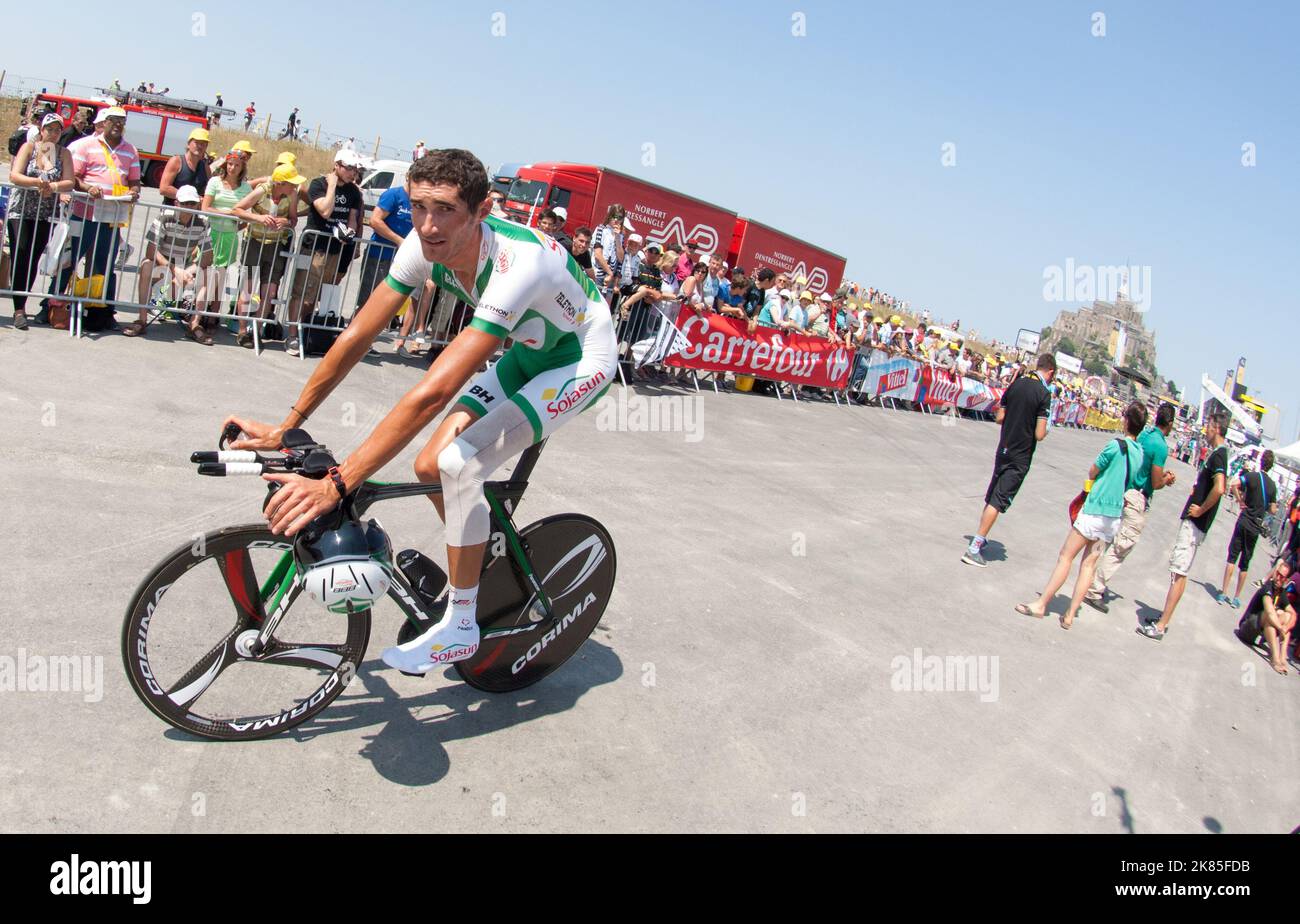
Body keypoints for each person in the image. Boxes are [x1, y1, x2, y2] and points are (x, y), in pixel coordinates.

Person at [221, 149, 618, 673]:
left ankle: (460, 623)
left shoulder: (518, 265)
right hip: (530, 352)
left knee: (457, 465)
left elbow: (433, 392)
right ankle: (485, 557)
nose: (429, 226)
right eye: (419, 206)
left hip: (580, 359)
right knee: (431, 466)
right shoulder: (421, 245)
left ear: (481, 210)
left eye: (446, 210)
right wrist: (287, 425)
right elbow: (359, 334)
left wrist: (338, 483)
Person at [1015, 402, 1147, 629]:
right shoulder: (1140, 453)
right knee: (1089, 565)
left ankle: (1041, 604)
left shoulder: (1115, 445)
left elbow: (1094, 470)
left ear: (1126, 420)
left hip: (1095, 509)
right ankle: (1070, 614)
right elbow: (1133, 481)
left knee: (1066, 556)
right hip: (1113, 518)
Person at [1140, 411, 1231, 641]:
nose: (1206, 430)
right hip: (1196, 521)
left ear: (1217, 428)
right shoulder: (1218, 454)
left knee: (1179, 572)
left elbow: (1220, 488)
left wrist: (1200, 509)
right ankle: (1164, 617)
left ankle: (1161, 625)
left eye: (1209, 425)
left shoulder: (1219, 455)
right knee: (1179, 572)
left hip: (1195, 522)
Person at [962, 353, 1057, 567]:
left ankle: (981, 537)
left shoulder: (1016, 384)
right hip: (1021, 453)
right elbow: (1040, 434)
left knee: (993, 495)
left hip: (1004, 446)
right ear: (1050, 371)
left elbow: (1000, 417)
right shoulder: (1043, 393)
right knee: (999, 499)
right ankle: (974, 546)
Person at [1083, 402, 1178, 612]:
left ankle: (1088, 577)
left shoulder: (1145, 435)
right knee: (1122, 545)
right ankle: (1094, 589)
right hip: (1137, 498)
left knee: (1107, 538)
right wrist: (1167, 479)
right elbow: (1154, 482)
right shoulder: (1161, 446)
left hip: (1124, 490)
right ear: (1170, 423)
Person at [55, 106, 141, 325]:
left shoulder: (130, 150)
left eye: (122, 121)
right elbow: (72, 177)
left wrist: (133, 192)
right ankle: (50, 305)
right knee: (69, 260)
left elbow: (134, 181)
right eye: (114, 120)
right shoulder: (85, 146)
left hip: (111, 217)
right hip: (83, 214)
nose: (119, 125)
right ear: (105, 123)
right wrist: (87, 188)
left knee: (105, 266)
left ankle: (102, 313)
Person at [288, 149, 365, 356]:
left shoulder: (354, 191)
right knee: (303, 294)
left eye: (355, 169)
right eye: (349, 168)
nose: (353, 173)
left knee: (320, 296)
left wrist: (349, 232)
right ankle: (292, 334)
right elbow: (324, 210)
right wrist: (331, 185)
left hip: (335, 249)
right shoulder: (319, 184)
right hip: (313, 246)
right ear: (337, 165)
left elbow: (353, 217)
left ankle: (307, 331)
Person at [7, 114, 75, 330]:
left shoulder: (64, 153)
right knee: (21, 252)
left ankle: (23, 301)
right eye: (50, 129)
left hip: (45, 214)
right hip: (21, 210)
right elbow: (15, 175)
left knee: (34, 257)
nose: (53, 134)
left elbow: (69, 181)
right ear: (42, 130)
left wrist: (52, 187)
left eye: (57, 130)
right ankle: (19, 308)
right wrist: (38, 182)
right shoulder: (29, 147)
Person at [230, 163, 306, 346]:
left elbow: (293, 220)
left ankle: (255, 330)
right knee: (247, 287)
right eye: (291, 183)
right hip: (254, 241)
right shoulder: (261, 191)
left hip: (276, 245)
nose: (295, 187)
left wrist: (285, 222)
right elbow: (237, 209)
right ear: (279, 183)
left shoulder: (292, 194)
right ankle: (242, 330)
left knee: (270, 291)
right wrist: (258, 218)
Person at [125, 185, 212, 337]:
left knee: (210, 274)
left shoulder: (203, 221)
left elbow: (207, 256)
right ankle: (142, 319)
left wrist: (189, 270)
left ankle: (195, 324)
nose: (188, 208)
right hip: (163, 264)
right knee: (146, 265)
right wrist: (173, 269)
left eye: (192, 203)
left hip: (184, 266)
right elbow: (151, 251)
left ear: (198, 203)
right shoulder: (165, 216)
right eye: (185, 203)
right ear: (176, 203)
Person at [197, 148, 253, 344]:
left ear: (242, 167)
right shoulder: (215, 182)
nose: (232, 168)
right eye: (230, 164)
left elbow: (246, 216)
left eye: (237, 165)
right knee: (205, 275)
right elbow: (205, 207)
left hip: (229, 235)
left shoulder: (246, 188)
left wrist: (237, 221)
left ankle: (213, 316)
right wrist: (228, 214)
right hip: (211, 233)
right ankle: (197, 315)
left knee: (220, 277)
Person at [1218, 449, 1279, 607]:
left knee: (1232, 557)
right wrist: (1268, 507)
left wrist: (1240, 501)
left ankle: (1223, 593)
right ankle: (1236, 598)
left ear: (1261, 462)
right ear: (1271, 466)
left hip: (1244, 520)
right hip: (1255, 526)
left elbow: (1233, 484)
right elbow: (1273, 510)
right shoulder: (1272, 486)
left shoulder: (1252, 477)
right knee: (1245, 563)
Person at [354, 181, 413, 315]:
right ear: (409, 178)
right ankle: (356, 331)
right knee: (369, 300)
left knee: (386, 304)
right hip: (380, 256)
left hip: (401, 260)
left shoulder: (418, 201)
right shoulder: (393, 195)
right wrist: (399, 241)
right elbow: (375, 220)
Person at [1240, 561, 1296, 675]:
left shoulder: (1281, 592)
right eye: (1278, 574)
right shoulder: (1267, 588)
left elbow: (1293, 614)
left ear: (1286, 580)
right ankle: (1275, 659)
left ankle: (1282, 658)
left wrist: (1286, 627)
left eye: (1282, 577)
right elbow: (1269, 612)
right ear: (1275, 573)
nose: (1278, 578)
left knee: (1287, 616)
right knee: (1270, 617)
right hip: (1247, 629)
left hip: (1260, 630)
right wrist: (1281, 629)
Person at [159, 128, 211, 206]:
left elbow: (209, 192)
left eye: (203, 144)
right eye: (196, 142)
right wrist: (191, 197)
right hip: (171, 212)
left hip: (193, 216)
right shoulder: (176, 161)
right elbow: (164, 189)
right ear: (188, 144)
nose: (200, 146)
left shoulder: (206, 168)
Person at [590, 204, 625, 296]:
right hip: (597, 274)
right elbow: (598, 254)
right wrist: (610, 273)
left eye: (619, 217)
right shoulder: (601, 229)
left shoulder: (621, 236)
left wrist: (617, 238)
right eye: (614, 216)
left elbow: (621, 259)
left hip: (609, 279)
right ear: (609, 216)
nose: (616, 220)